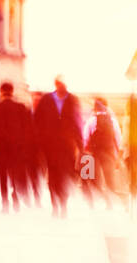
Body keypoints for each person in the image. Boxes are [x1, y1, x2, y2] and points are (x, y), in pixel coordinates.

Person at [33, 76, 84, 218]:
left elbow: (78, 121)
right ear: (56, 84)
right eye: (60, 83)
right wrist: (38, 143)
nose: (63, 86)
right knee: (53, 176)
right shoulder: (46, 100)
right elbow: (37, 121)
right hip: (50, 145)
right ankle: (55, 204)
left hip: (67, 145)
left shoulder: (73, 100)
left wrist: (80, 144)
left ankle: (63, 204)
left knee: (65, 175)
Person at [0, 83, 33, 213]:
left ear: (1, 92)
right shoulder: (20, 108)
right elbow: (27, 128)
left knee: (3, 174)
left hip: (1, 146)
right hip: (16, 146)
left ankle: (5, 202)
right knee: (14, 173)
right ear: (12, 91)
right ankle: (15, 197)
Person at [82, 97, 125, 211]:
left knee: (94, 180)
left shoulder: (91, 120)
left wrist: (85, 153)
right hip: (109, 153)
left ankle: (98, 202)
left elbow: (85, 137)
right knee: (110, 181)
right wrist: (117, 156)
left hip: (94, 154)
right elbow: (118, 139)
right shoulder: (113, 121)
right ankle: (116, 202)